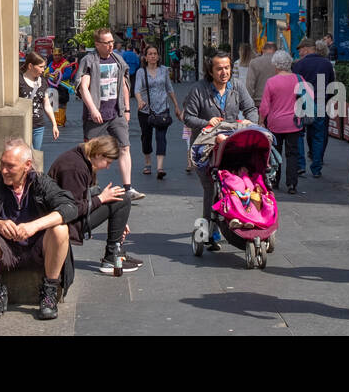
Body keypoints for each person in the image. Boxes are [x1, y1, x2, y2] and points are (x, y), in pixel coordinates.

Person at [0, 139, 79, 321]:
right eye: (2, 163)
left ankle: (49, 291)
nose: (3, 170)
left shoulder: (41, 182)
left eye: (10, 166)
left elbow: (70, 207)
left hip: (38, 247)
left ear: (27, 166)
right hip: (5, 248)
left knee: (60, 229)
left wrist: (35, 226)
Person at [182, 52, 259, 251]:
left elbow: (250, 108)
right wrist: (206, 122)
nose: (224, 72)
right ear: (210, 71)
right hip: (205, 146)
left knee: (236, 183)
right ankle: (209, 229)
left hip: (231, 145)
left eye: (227, 68)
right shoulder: (198, 90)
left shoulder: (237, 87)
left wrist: (252, 121)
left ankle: (242, 218)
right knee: (212, 188)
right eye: (219, 69)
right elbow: (188, 117)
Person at [47, 135, 141, 274]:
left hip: (72, 215)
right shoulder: (75, 168)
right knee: (123, 199)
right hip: (66, 222)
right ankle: (111, 258)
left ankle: (115, 253)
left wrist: (120, 221)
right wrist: (101, 199)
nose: (108, 167)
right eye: (108, 162)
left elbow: (83, 195)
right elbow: (72, 209)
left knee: (120, 199)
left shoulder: (83, 157)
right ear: (98, 154)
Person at [76, 28, 144, 201]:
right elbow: (84, 88)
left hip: (116, 112)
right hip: (96, 114)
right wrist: (93, 109)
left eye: (112, 42)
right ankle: (91, 187)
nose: (111, 45)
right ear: (97, 44)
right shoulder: (89, 61)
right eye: (107, 43)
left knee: (125, 147)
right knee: (91, 152)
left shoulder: (118, 60)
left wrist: (127, 109)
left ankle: (128, 188)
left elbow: (124, 85)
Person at [259, 50, 314, 195]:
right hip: (294, 123)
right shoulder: (299, 79)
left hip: (275, 123)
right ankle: (292, 184)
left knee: (275, 153)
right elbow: (310, 97)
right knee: (293, 154)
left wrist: (261, 121)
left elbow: (265, 106)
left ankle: (275, 180)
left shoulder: (271, 82)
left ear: (276, 65)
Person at [135, 45, 181, 179]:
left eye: (155, 54)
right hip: (146, 110)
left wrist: (176, 106)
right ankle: (148, 162)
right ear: (145, 57)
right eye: (150, 54)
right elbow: (137, 89)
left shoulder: (164, 71)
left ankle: (160, 167)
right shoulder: (141, 72)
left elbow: (169, 88)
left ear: (158, 56)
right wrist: (139, 101)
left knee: (161, 138)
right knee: (146, 137)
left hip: (162, 108)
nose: (153, 56)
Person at [293, 38, 336, 179]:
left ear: (306, 48)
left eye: (300, 50)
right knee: (318, 135)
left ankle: (300, 165)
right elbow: (331, 85)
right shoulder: (326, 64)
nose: (299, 53)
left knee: (299, 134)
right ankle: (316, 168)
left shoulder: (299, 65)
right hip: (320, 102)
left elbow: (295, 86)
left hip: (303, 102)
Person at [19, 52, 59, 151]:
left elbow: (47, 104)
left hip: (38, 126)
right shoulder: (19, 81)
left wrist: (54, 124)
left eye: (44, 67)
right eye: (41, 67)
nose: (43, 70)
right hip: (22, 125)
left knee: (35, 156)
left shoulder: (43, 81)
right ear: (30, 66)